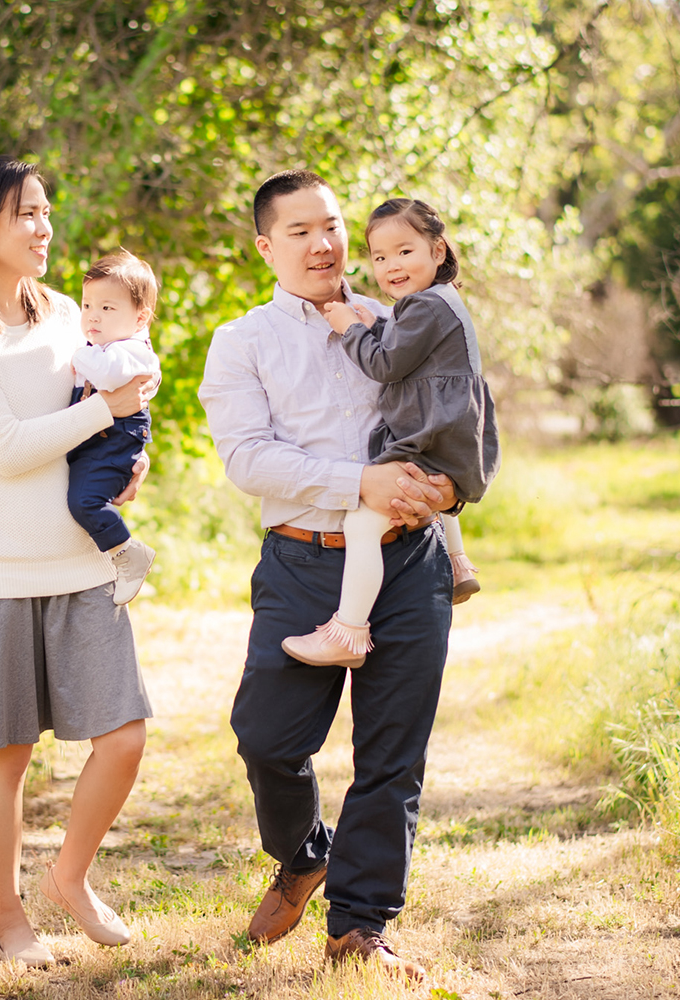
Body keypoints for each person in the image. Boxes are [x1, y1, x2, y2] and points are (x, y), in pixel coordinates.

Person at [197, 168, 457, 980]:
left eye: (333, 225)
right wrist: (359, 484)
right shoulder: (242, 342)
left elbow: (462, 406)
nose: (324, 244)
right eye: (301, 231)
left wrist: (450, 485)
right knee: (267, 738)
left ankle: (359, 927)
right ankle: (304, 855)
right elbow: (247, 459)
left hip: (408, 563)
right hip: (302, 562)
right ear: (266, 246)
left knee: (392, 755)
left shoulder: (400, 317)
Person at [0, 156, 156, 966]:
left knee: (123, 736)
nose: (45, 227)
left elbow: (109, 405)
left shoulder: (65, 312)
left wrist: (127, 450)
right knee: (7, 756)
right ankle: (9, 917)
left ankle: (71, 877)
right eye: (27, 214)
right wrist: (101, 414)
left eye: (48, 212)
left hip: (80, 562)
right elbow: (9, 449)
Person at [281, 197, 499, 668]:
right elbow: (399, 339)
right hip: (446, 436)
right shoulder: (429, 304)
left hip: (436, 435)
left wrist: (345, 326)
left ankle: (348, 631)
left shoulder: (425, 306)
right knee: (415, 477)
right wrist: (373, 323)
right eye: (379, 257)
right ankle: (458, 563)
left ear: (438, 251)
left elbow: (384, 363)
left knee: (362, 522)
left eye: (404, 251)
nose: (390, 266)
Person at [67, 249, 163, 602]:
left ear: (141, 319)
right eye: (87, 305)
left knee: (86, 500)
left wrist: (76, 353)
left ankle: (127, 552)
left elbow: (107, 376)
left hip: (116, 439)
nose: (93, 316)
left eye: (107, 308)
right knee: (80, 494)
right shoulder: (106, 345)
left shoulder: (132, 349)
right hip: (100, 436)